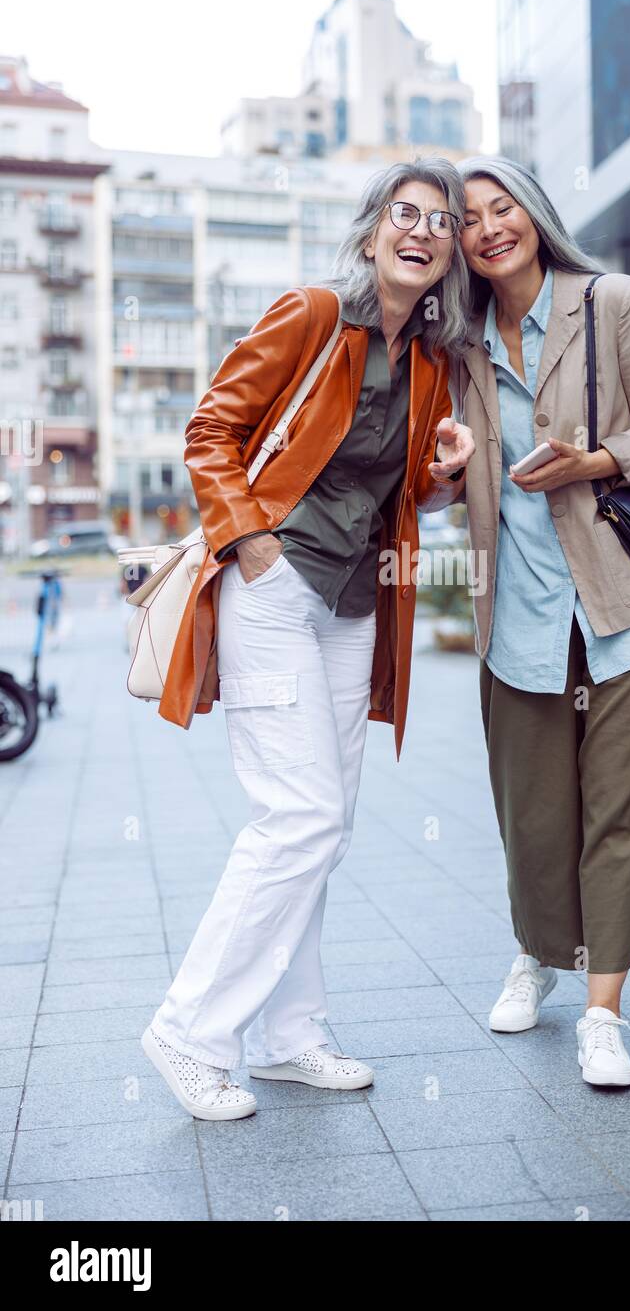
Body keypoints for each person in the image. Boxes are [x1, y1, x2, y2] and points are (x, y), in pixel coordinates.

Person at [141, 159, 475, 1120]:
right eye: (404, 214)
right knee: (298, 818)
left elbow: (398, 492)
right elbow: (211, 429)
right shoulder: (314, 312)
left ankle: (290, 1037)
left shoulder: (432, 358)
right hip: (277, 592)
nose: (422, 231)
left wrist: (446, 475)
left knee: (321, 831)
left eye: (441, 222)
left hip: (356, 607)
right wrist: (248, 543)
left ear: (451, 252)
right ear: (373, 231)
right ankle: (189, 1030)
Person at [452, 154, 630, 1087]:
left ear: (534, 211)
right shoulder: (457, 343)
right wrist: (447, 471)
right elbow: (452, 481)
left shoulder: (614, 301)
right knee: (533, 811)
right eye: (469, 217)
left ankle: (602, 1009)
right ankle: (537, 953)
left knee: (623, 809)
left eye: (502, 205)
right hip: (519, 607)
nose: (489, 227)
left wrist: (594, 461)